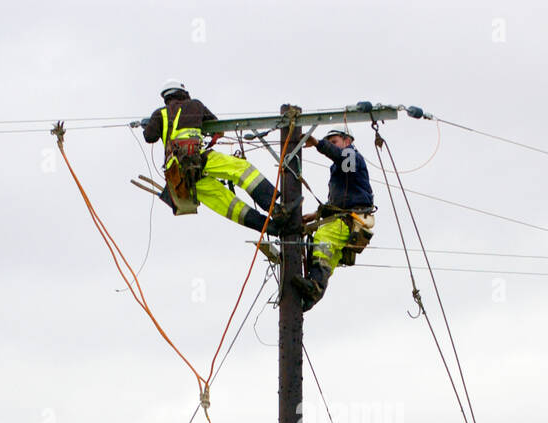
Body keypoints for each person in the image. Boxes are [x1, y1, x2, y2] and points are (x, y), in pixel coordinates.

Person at [142, 81, 299, 235]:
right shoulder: (196, 105)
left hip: (178, 175)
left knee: (225, 203)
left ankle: (269, 228)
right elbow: (216, 127)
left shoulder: (160, 114)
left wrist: (149, 125)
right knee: (241, 169)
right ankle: (276, 209)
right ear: (184, 93)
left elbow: (149, 137)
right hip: (197, 157)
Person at [291, 128, 376, 310]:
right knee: (330, 258)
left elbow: (341, 157)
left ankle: (314, 286)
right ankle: (311, 297)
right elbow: (338, 200)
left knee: (322, 240)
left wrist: (318, 144)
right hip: (348, 217)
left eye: (334, 141)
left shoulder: (352, 156)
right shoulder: (340, 169)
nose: (331, 145)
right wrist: (316, 215)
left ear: (348, 141)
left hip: (350, 218)